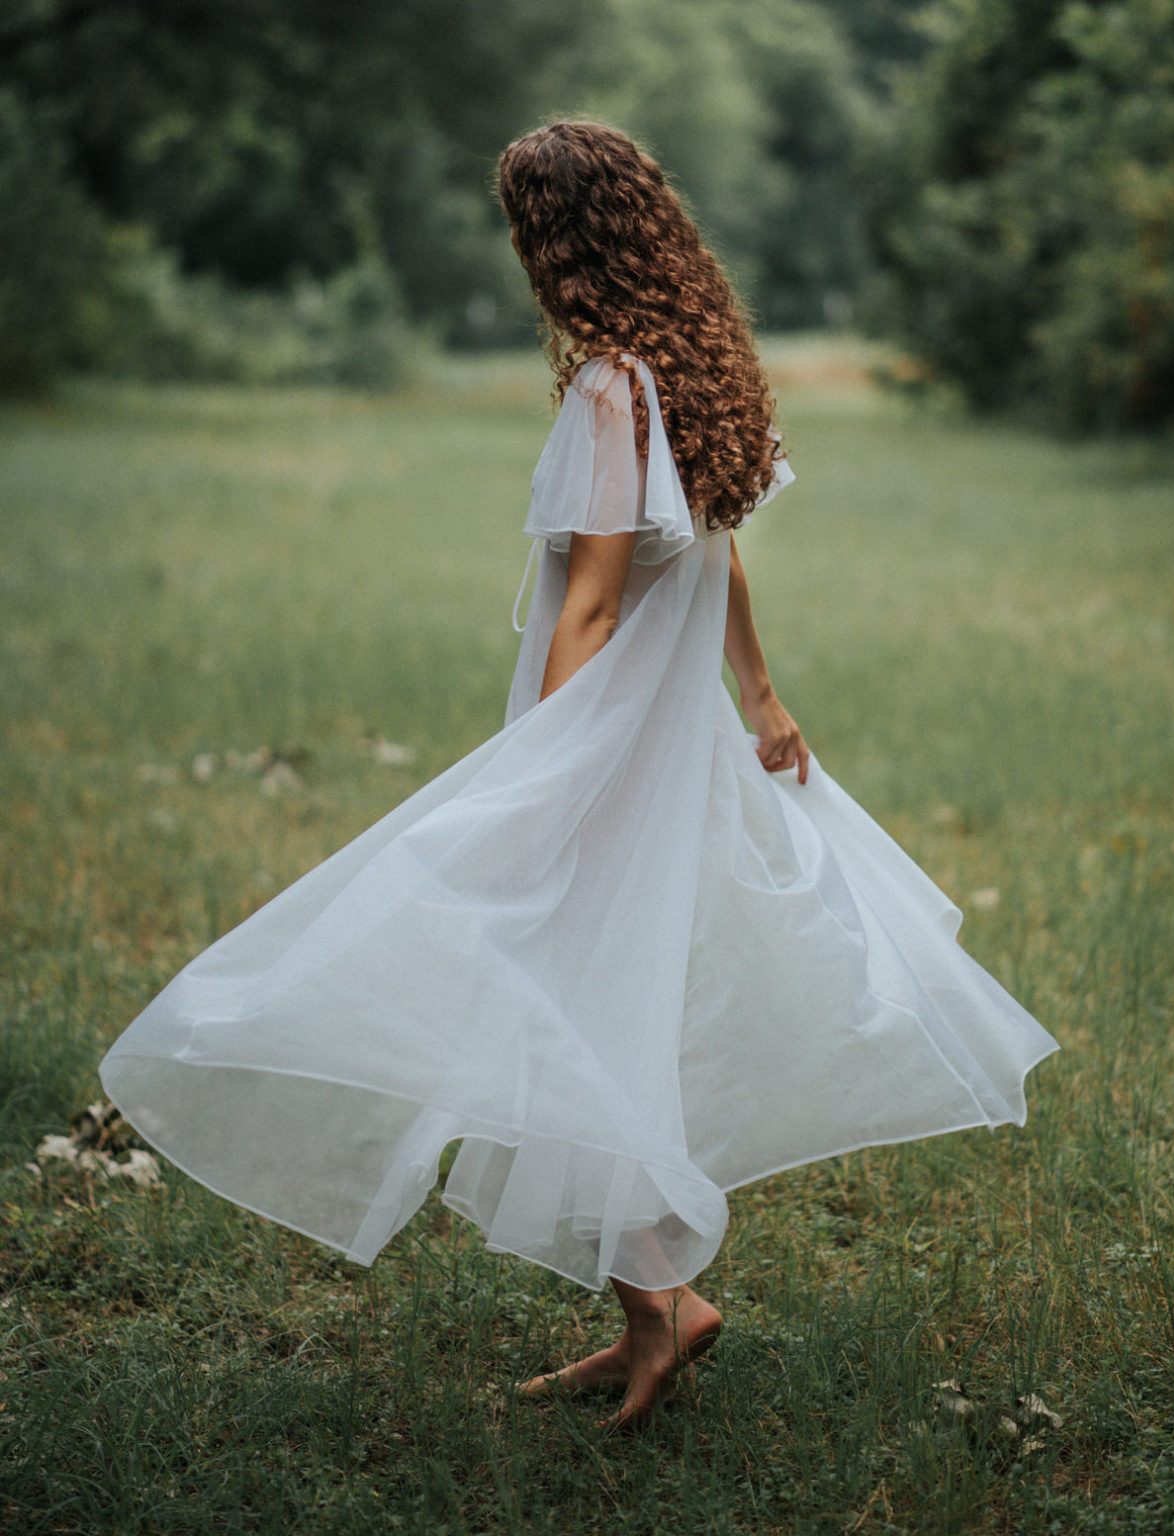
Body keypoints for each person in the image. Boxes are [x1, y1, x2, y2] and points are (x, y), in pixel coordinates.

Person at [100, 120, 1058, 1433]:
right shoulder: (695, 364)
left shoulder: (615, 388)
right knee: (591, 1002)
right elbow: (716, 548)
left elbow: (596, 604)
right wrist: (759, 693)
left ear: (552, 241)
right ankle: (659, 1306)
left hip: (608, 748)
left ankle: (661, 1302)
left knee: (546, 995)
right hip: (662, 741)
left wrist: (543, 771)